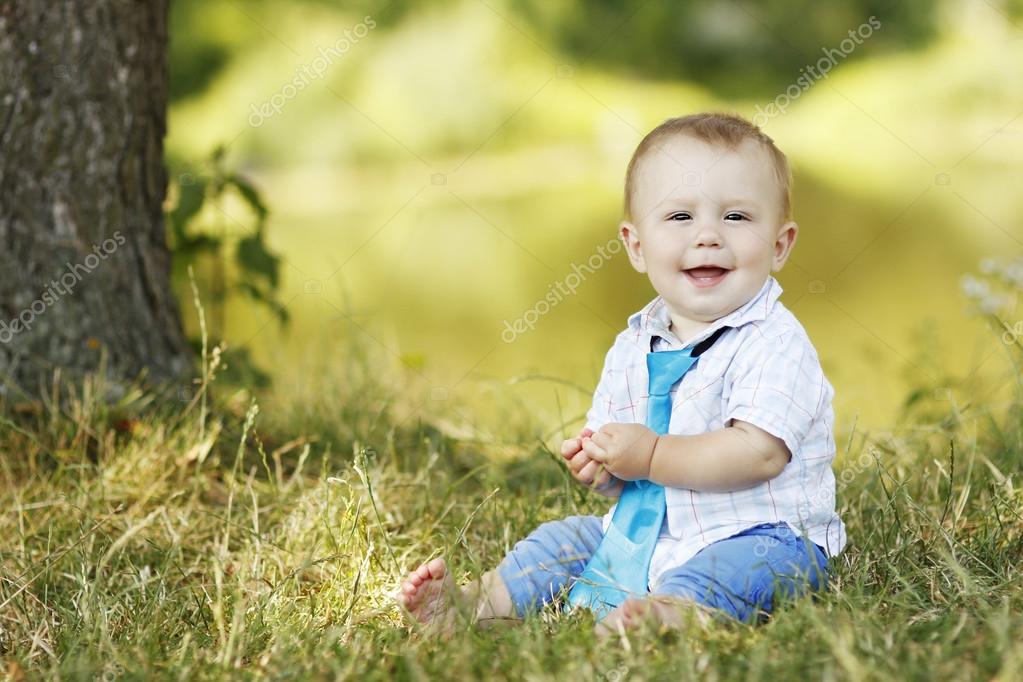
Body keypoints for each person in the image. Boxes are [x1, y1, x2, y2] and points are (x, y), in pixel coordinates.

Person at [396, 112, 846, 638]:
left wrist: (651, 455)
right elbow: (630, 469)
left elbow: (760, 452)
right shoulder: (633, 346)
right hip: (648, 531)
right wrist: (605, 468)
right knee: (560, 541)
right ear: (636, 245)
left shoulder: (774, 341)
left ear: (779, 244)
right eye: (679, 217)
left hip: (762, 535)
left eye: (737, 217)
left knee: (736, 570)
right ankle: (476, 607)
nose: (707, 236)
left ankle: (672, 615)